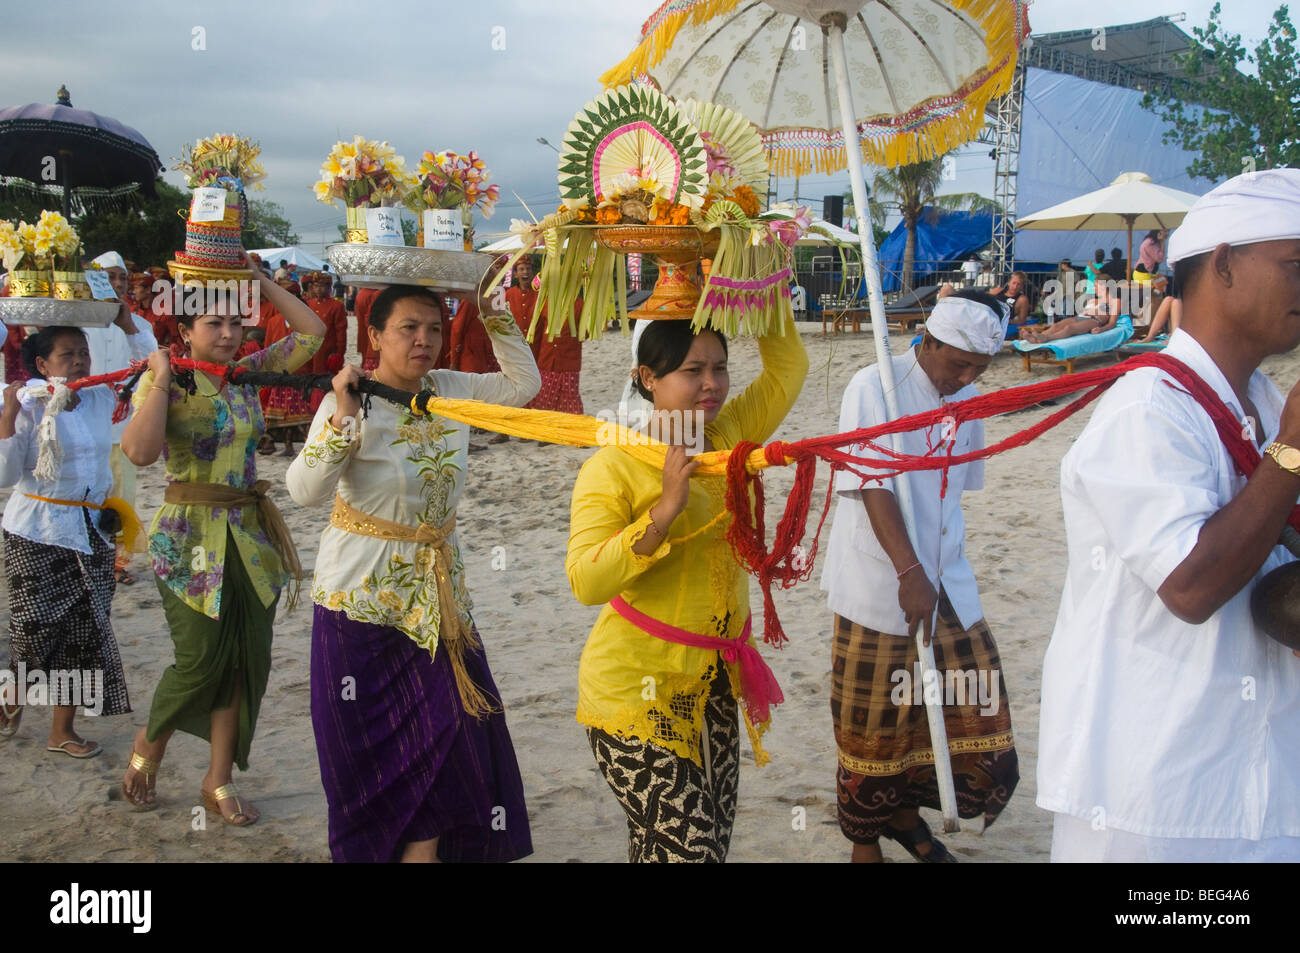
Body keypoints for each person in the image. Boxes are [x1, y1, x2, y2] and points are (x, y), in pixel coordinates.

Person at [1038, 168, 1300, 861]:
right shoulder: (1149, 406)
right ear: (1223, 265)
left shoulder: (1269, 405)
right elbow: (1190, 584)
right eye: (1297, 266)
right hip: (1154, 804)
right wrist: (1294, 451)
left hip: (1266, 783)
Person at [286, 284, 539, 862]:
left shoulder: (450, 390)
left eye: (434, 327)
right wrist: (345, 417)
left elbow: (524, 387)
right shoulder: (349, 400)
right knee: (373, 753)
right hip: (361, 598)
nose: (424, 340)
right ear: (374, 336)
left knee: (452, 738)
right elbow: (302, 492)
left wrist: (495, 313)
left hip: (441, 599)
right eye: (408, 328)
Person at [567, 307, 809, 862]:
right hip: (633, 692)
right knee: (690, 851)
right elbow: (586, 581)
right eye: (692, 370)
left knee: (692, 849)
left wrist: (759, 281)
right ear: (648, 378)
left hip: (712, 688)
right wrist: (664, 513)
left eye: (720, 368)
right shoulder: (615, 466)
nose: (711, 385)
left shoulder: (726, 440)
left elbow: (787, 370)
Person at [118, 266, 325, 821]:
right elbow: (139, 453)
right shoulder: (169, 378)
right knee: (200, 660)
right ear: (185, 329)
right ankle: (150, 742)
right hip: (188, 539)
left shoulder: (249, 373)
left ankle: (218, 779)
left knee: (241, 660)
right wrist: (160, 376)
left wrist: (259, 280)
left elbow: (311, 335)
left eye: (237, 321)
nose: (230, 333)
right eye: (214, 323)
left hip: (251, 537)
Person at [820, 290, 1018, 863]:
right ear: (926, 340)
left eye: (978, 368)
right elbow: (871, 482)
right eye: (957, 363)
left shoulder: (968, 398)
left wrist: (933, 569)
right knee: (873, 723)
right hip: (880, 581)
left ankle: (908, 821)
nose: (965, 377)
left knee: (970, 703)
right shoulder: (873, 386)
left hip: (947, 578)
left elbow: (956, 491)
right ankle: (865, 845)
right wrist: (909, 571)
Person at [0, 305, 151, 755]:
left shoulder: (102, 397)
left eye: (83, 352)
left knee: (85, 629)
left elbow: (148, 375)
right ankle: (11, 697)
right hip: (37, 529)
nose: (80, 361)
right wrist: (7, 415)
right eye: (68, 355)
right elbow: (5, 475)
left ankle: (61, 731)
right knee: (33, 629)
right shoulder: (28, 404)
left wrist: (127, 325)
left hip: (93, 528)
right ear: (42, 364)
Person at [84, 251, 159, 587]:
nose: (116, 284)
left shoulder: (139, 324)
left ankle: (117, 562)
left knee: (121, 496)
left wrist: (127, 325)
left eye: (122, 278)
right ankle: (87, 557)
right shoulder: (79, 319)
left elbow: (152, 362)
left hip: (123, 426)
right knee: (86, 495)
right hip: (85, 424)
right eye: (109, 277)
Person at [505, 256, 583, 415]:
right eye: (521, 269)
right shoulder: (539, 299)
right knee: (538, 395)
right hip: (534, 354)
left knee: (569, 397)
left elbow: (585, 332)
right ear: (515, 274)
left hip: (560, 358)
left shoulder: (577, 303)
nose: (525, 272)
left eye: (528, 269)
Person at [1018, 280, 1119, 343]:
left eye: (1096, 286)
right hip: (1080, 317)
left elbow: (1112, 323)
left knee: (1069, 328)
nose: (1094, 288)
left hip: (1094, 320)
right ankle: (1036, 338)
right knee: (1056, 326)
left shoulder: (1114, 301)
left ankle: (1047, 338)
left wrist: (1102, 329)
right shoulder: (1093, 300)